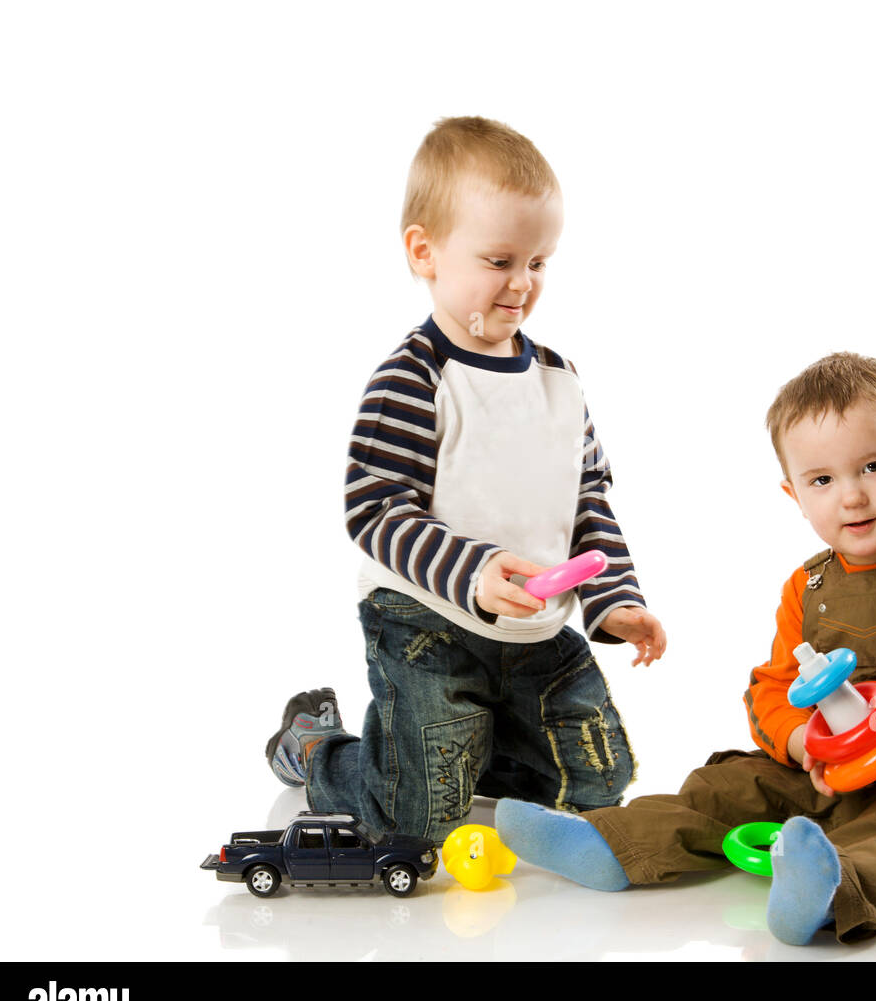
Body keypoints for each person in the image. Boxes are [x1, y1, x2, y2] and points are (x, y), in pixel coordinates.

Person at [495, 351, 876, 944]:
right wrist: (800, 742)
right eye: (823, 479)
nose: (851, 497)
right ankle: (609, 843)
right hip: (836, 771)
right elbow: (774, 687)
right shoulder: (810, 587)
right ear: (793, 493)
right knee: (730, 786)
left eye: (873, 466)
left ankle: (827, 887)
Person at [264, 116, 667, 843]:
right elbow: (374, 511)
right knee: (416, 820)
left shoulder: (559, 379)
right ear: (425, 252)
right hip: (428, 625)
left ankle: (469, 747)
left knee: (600, 784)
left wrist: (612, 602)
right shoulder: (414, 379)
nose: (523, 284)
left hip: (535, 630)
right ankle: (317, 747)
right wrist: (474, 571)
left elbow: (589, 502)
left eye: (540, 262)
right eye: (500, 259)